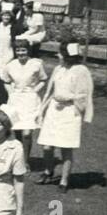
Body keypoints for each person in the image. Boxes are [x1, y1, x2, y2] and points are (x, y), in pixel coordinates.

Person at [36, 42, 93, 191]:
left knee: (66, 148)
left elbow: (84, 93)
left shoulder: (81, 70)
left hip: (70, 111)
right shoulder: (58, 68)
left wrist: (68, 99)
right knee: (47, 145)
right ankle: (48, 171)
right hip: (54, 110)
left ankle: (64, 180)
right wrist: (42, 108)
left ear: (68, 56)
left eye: (61, 53)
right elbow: (50, 90)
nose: (58, 56)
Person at [0, 35, 47, 166]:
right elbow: (6, 81)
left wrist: (35, 90)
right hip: (16, 100)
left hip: (30, 101)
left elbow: (43, 79)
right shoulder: (10, 65)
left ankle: (25, 161)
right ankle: (18, 159)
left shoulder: (36, 64)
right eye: (18, 50)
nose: (20, 53)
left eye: (23, 50)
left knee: (27, 133)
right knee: (16, 131)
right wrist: (11, 92)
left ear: (28, 50)